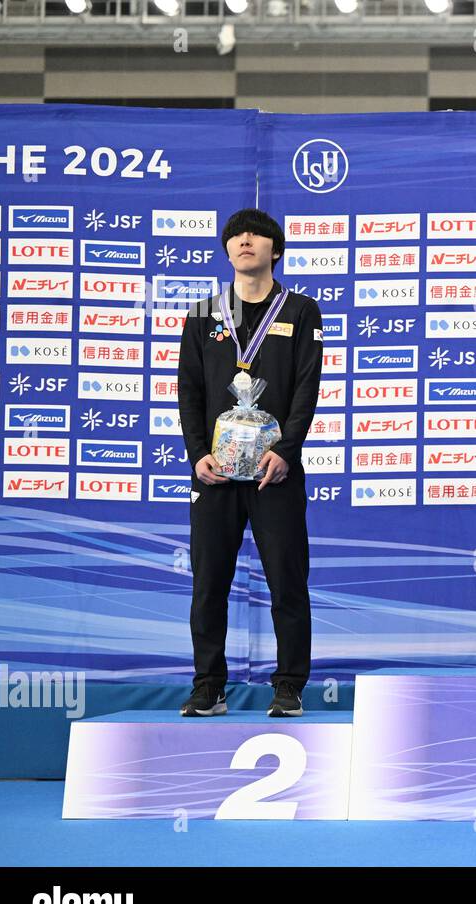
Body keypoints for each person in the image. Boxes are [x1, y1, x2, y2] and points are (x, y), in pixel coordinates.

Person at [177, 209, 324, 717]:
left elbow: (307, 388)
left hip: (274, 474)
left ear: (274, 250)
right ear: (227, 250)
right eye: (236, 235)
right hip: (215, 473)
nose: (245, 240)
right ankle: (208, 686)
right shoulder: (204, 312)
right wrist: (198, 455)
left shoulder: (301, 310)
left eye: (257, 235)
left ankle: (288, 685)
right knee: (208, 582)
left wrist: (286, 452)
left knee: (287, 579)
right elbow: (189, 391)